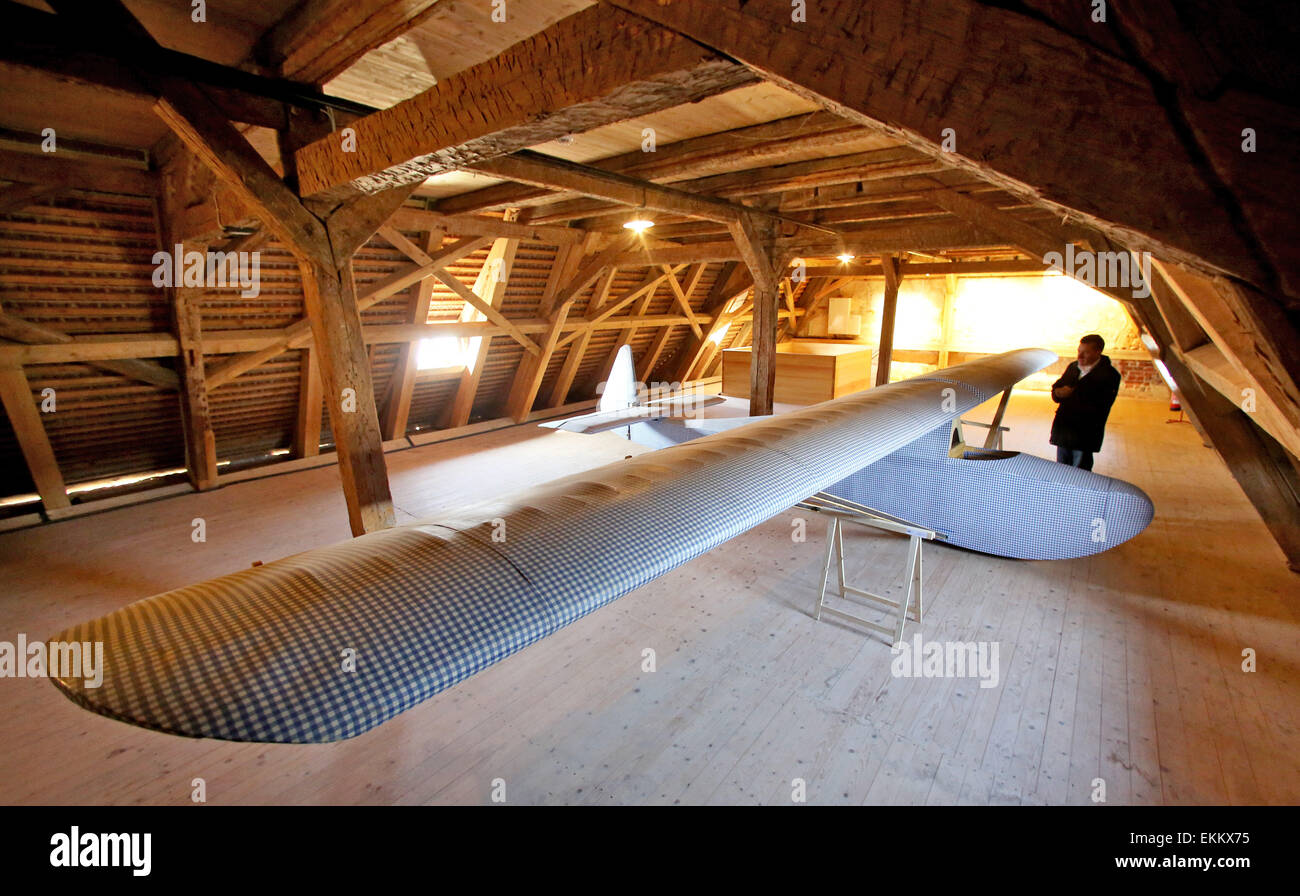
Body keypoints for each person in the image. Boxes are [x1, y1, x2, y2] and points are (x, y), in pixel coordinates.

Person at [1049, 334, 1121, 471]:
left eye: (1085, 352)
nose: (1080, 356)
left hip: (1084, 434)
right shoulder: (1073, 368)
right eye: (1079, 351)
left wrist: (1070, 395)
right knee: (1061, 471)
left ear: (1098, 352)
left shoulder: (1110, 376)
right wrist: (1059, 393)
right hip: (1064, 431)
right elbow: (1056, 389)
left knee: (1080, 473)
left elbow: (1101, 406)